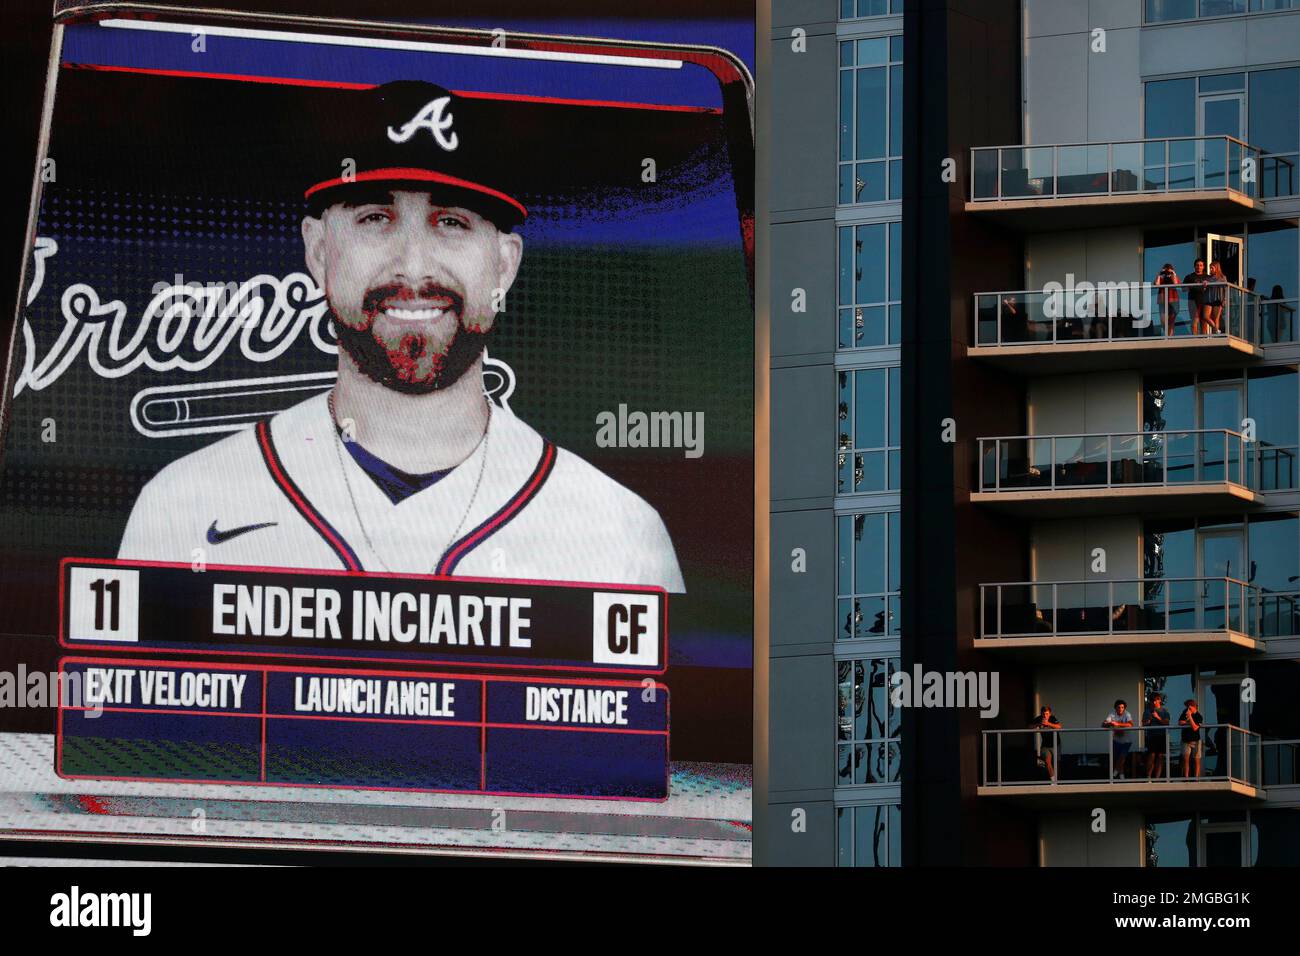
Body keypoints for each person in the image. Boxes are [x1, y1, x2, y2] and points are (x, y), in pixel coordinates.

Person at [118, 81, 684, 590]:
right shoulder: (184, 507)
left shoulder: (618, 535)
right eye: (374, 218)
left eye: (452, 221)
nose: (413, 268)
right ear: (318, 250)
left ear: (505, 266)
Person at [1102, 699, 1134, 780]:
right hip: (1116, 740)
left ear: (1124, 708)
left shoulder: (1127, 714)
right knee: (1118, 759)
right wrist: (1110, 723)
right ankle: (1122, 776)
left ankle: (1115, 773)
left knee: (1122, 757)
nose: (1120, 709)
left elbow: (1131, 724)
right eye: (1119, 707)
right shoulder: (1112, 714)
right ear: (1115, 708)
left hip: (1127, 741)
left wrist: (1117, 724)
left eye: (1122, 707)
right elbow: (1103, 724)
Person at [1142, 692, 1171, 779]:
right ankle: (1148, 777)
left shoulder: (1164, 711)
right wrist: (1150, 719)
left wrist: (1158, 717)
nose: (1154, 702)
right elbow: (1144, 724)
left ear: (1159, 700)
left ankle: (1157, 778)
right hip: (1151, 736)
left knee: (1160, 756)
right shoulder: (1147, 711)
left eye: (1156, 700)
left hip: (1162, 736)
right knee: (1152, 755)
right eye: (1152, 701)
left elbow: (1167, 723)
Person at [1030, 705, 1062, 781]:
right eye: (1043, 714)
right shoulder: (1038, 719)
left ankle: (1057, 780)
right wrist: (1038, 724)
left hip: (1056, 744)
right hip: (1045, 745)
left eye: (1047, 714)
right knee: (1047, 761)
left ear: (1050, 714)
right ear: (1041, 713)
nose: (1045, 715)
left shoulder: (1052, 718)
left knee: (1057, 763)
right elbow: (1029, 726)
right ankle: (1053, 780)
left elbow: (1059, 727)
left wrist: (1048, 724)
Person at [1179, 698, 1204, 778]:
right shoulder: (1184, 712)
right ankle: (1186, 777)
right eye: (1187, 708)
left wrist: (1190, 718)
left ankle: (1196, 778)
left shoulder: (1199, 716)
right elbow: (1180, 722)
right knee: (1186, 759)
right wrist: (1188, 721)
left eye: (1189, 708)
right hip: (1185, 740)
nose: (1188, 710)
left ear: (1194, 707)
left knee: (1196, 759)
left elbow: (1195, 728)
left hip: (1196, 740)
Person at [1185, 258, 1211, 335]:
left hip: (1205, 301)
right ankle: (1195, 339)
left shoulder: (1208, 277)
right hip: (1193, 301)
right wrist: (1190, 287)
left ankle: (1204, 340)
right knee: (1194, 321)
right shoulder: (1189, 277)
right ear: (1194, 266)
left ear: (1203, 267)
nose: (1199, 267)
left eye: (1200, 265)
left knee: (1204, 322)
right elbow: (1183, 288)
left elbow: (1214, 287)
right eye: (1197, 265)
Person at [1154, 263, 1180, 337]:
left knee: (1171, 321)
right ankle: (1167, 336)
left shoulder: (1173, 277)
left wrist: (1173, 273)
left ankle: (1169, 338)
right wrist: (1159, 274)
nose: (1167, 273)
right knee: (1163, 321)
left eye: (1168, 271)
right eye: (1165, 271)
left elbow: (1176, 284)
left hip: (1173, 301)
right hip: (1162, 301)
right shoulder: (1161, 278)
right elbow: (1156, 284)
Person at [1205, 259, 1227, 334]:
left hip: (1218, 299)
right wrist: (1204, 283)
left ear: (1217, 268)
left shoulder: (1222, 277)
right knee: (1205, 316)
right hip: (1209, 299)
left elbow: (1225, 289)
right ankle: (1216, 330)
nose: (1210, 269)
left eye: (1212, 268)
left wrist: (1224, 300)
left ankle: (1215, 334)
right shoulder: (1208, 278)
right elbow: (1205, 286)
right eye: (1210, 268)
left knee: (1216, 318)